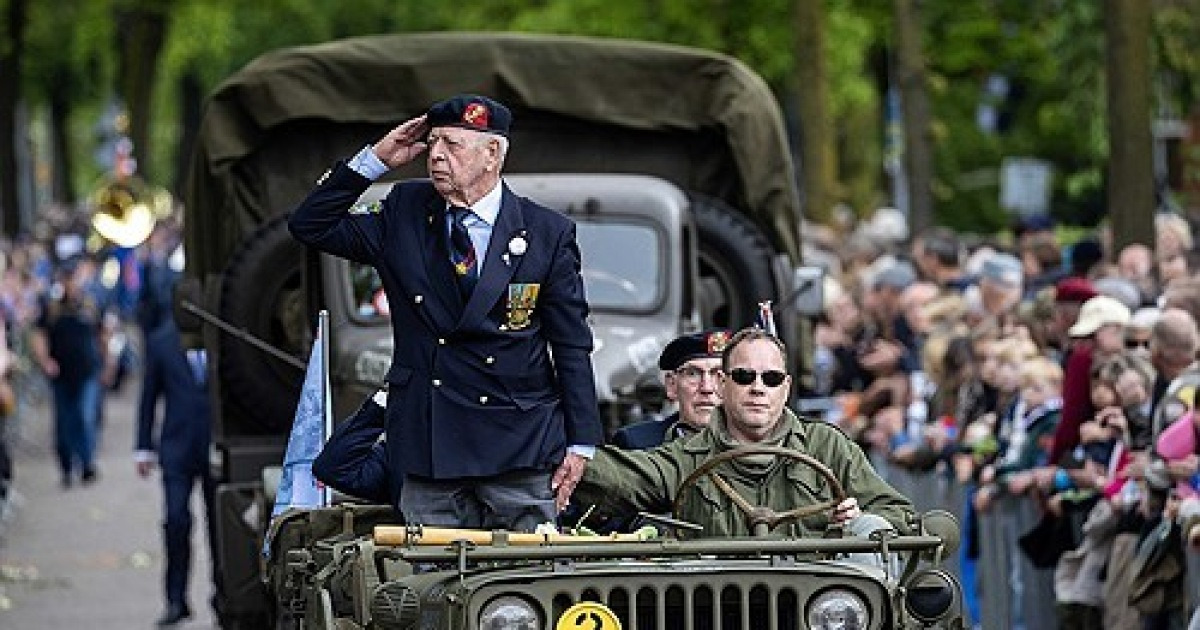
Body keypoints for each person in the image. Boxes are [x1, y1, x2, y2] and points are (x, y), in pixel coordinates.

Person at [288, 94, 603, 532]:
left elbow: (570, 343)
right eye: (433, 142)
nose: (435, 155)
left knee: (524, 589)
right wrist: (376, 159)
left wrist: (582, 442)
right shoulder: (406, 211)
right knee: (432, 587)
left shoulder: (546, 232)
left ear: (492, 153)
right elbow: (311, 224)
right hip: (430, 444)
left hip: (518, 445)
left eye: (452, 144)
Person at [574, 328, 914, 538]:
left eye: (770, 379)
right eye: (743, 376)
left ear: (786, 387)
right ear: (724, 384)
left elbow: (904, 518)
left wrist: (861, 521)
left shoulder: (826, 446)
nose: (757, 388)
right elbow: (620, 476)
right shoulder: (689, 454)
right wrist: (550, 450)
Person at [136, 313, 218, 627]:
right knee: (175, 520)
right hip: (176, 449)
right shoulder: (161, 341)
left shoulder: (220, 334)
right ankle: (175, 599)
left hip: (214, 448)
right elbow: (148, 397)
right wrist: (142, 447)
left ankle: (223, 593)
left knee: (218, 525)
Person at [30, 258, 113, 488]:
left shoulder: (91, 305)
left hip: (87, 371)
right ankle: (67, 465)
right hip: (61, 374)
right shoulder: (51, 307)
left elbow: (103, 335)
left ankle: (87, 463)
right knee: (64, 422)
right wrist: (46, 361)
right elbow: (39, 335)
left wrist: (107, 364)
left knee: (85, 417)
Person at [611, 330, 730, 449]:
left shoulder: (747, 445)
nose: (706, 388)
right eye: (692, 374)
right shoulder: (636, 445)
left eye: (719, 375)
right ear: (671, 385)